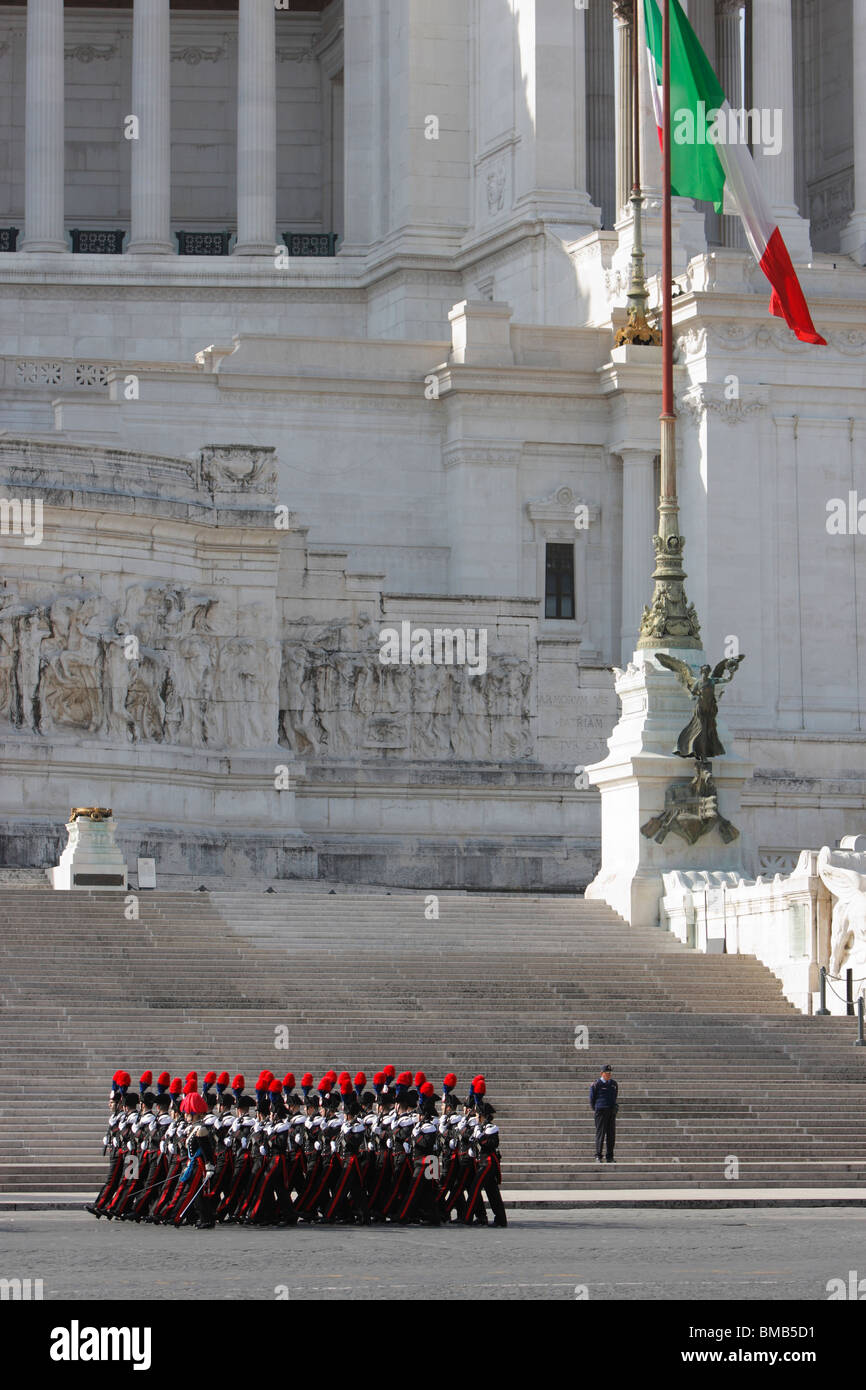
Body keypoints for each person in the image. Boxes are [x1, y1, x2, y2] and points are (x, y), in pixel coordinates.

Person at [590, 1064, 618, 1164]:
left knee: (611, 1135)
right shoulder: (596, 1084)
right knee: (600, 1134)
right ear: (602, 1073)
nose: (609, 1075)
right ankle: (598, 1156)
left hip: (611, 1111)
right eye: (607, 1073)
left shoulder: (614, 1084)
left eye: (610, 1073)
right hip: (601, 1111)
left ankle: (609, 1156)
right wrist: (597, 1108)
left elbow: (615, 1097)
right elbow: (592, 1099)